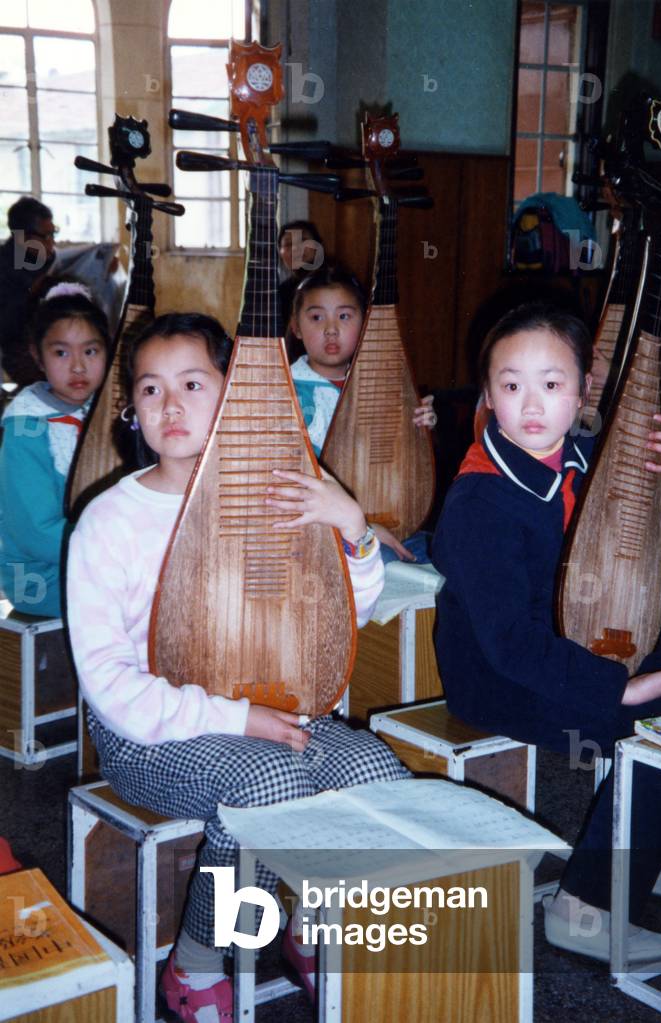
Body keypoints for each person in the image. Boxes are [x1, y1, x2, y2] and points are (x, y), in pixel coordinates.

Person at [66, 312, 409, 1021]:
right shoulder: (108, 520)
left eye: (194, 383)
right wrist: (236, 718)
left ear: (235, 395)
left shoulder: (279, 491)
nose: (172, 405)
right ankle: (194, 960)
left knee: (377, 775)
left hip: (277, 708)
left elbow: (351, 612)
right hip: (152, 737)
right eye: (152, 389)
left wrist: (351, 525)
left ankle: (308, 928)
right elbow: (109, 683)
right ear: (131, 409)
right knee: (268, 781)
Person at [432, 302, 661, 964]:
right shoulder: (479, 499)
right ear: (488, 395)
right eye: (511, 383)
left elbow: (659, 521)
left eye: (552, 384)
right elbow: (511, 645)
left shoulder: (582, 456)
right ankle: (583, 908)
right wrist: (622, 690)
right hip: (500, 677)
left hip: (574, 649)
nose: (530, 403)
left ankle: (658, 852)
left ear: (582, 392)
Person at [289, 265, 437, 563]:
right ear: (296, 327)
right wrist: (364, 528)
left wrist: (420, 426)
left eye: (344, 316)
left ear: (366, 323)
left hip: (385, 511)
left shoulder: (379, 381)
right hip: (326, 527)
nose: (331, 329)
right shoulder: (288, 389)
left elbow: (396, 458)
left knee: (440, 551)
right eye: (316, 317)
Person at [0, 283, 108, 617]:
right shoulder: (25, 426)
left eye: (91, 352)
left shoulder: (105, 410)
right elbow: (36, 532)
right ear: (38, 355)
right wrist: (118, 550)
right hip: (41, 576)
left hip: (94, 558)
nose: (78, 367)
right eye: (61, 353)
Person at [0, 197, 58, 386]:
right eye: (46, 236)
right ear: (22, 237)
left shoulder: (49, 259)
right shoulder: (4, 265)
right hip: (19, 349)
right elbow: (7, 328)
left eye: (53, 235)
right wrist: (30, 292)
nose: (52, 244)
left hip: (57, 340)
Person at [277, 219, 324, 337]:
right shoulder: (281, 292)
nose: (296, 248)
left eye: (303, 240)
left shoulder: (337, 282)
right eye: (288, 244)